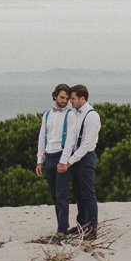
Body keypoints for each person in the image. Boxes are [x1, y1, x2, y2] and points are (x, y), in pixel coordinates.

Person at [35, 83, 80, 242]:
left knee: (62, 195)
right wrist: (40, 160)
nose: (65, 101)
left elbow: (71, 140)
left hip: (62, 156)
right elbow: (42, 137)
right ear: (55, 96)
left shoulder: (71, 115)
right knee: (54, 195)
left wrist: (64, 161)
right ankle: (61, 226)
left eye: (67, 99)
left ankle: (62, 230)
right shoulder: (47, 114)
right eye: (62, 98)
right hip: (50, 157)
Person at [61, 84, 101, 240]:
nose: (70, 101)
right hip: (75, 157)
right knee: (78, 193)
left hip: (86, 158)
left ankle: (92, 229)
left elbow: (85, 145)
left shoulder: (92, 116)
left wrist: (69, 162)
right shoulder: (74, 114)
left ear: (82, 98)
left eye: (73, 98)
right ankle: (81, 224)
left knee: (88, 194)